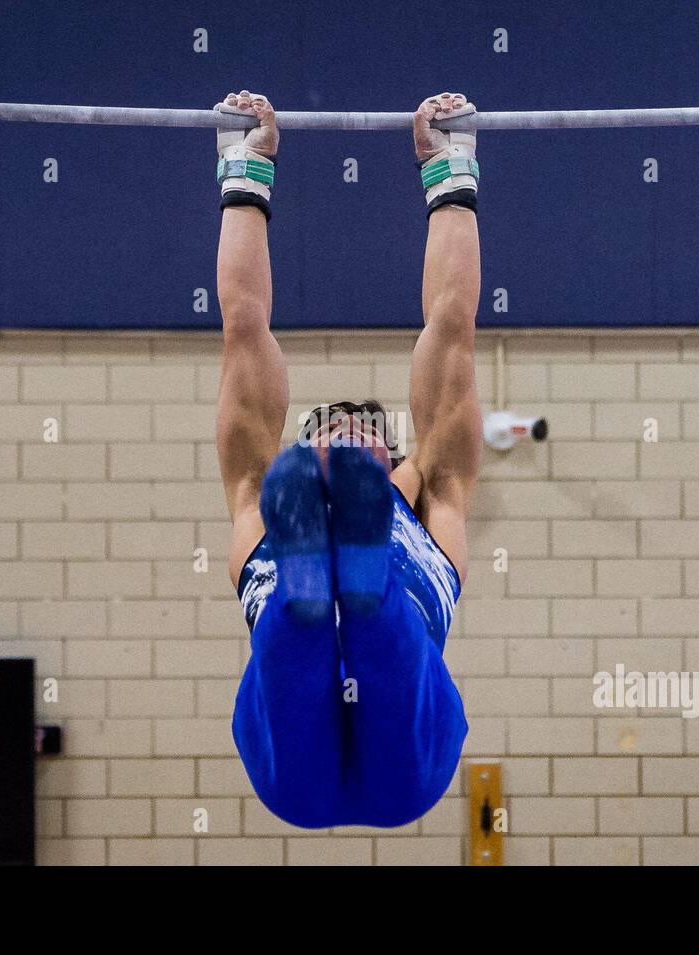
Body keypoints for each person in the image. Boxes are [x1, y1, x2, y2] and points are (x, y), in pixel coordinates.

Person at [213, 89, 482, 828]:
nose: (341, 440)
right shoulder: (427, 518)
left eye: (356, 440)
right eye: (329, 438)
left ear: (397, 458)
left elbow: (452, 325)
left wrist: (448, 172)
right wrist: (246, 172)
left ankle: (340, 582)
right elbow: (243, 327)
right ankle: (344, 585)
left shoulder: (432, 492)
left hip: (343, 772)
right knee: (337, 629)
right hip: (358, 769)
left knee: (352, 628)